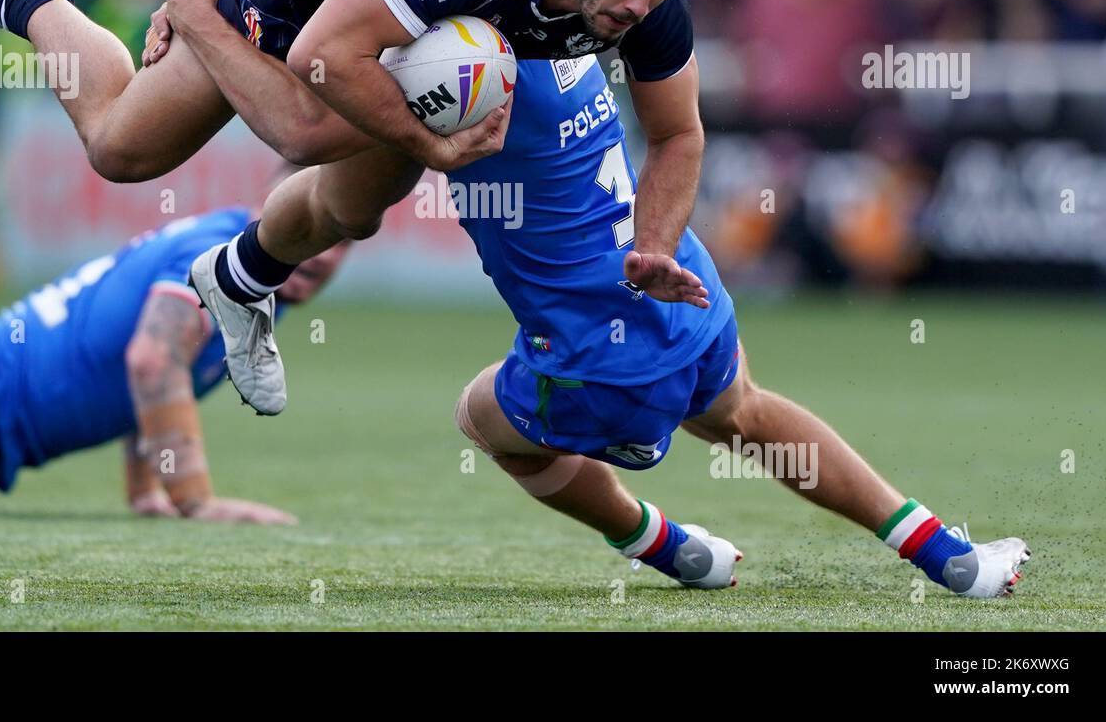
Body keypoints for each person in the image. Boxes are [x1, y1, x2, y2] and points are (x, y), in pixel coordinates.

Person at [0, 0, 736, 416]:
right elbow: (318, 68)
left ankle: (241, 279)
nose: (638, 3)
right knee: (143, 146)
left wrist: (652, 247)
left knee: (362, 203)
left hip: (376, 10)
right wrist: (432, 142)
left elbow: (678, 134)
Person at [428, 56, 1028, 596]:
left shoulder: (453, 51)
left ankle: (661, 544)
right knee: (747, 412)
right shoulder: (577, 16)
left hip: (596, 359)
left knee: (478, 415)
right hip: (684, 286)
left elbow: (348, 200)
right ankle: (947, 556)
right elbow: (677, 125)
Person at [0, 206, 336, 519]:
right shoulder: (221, 249)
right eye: (315, 233)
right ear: (276, 203)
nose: (323, 254)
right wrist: (196, 501)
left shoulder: (259, 278)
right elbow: (152, 361)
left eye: (343, 239)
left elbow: (152, 370)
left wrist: (145, 489)